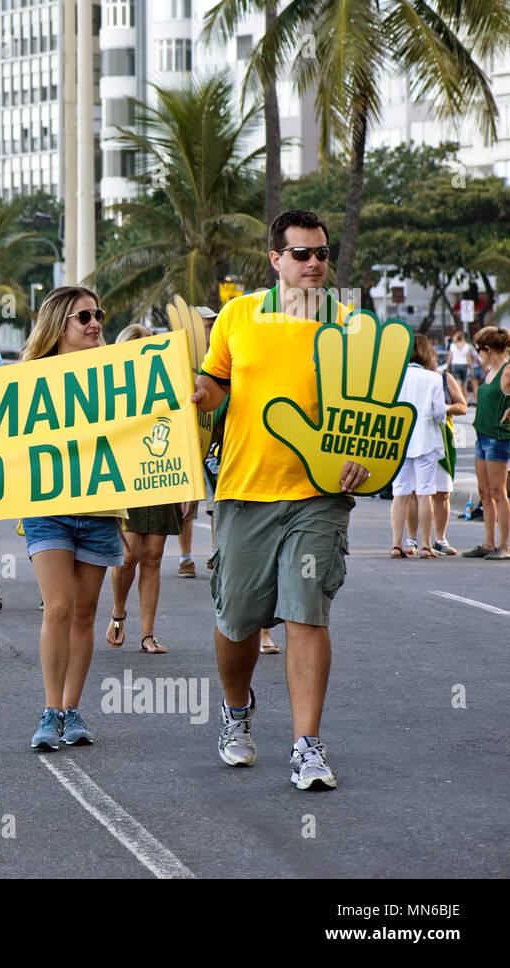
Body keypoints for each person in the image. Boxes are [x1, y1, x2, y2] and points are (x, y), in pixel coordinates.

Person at [192, 209, 365, 791]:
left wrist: (363, 454)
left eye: (321, 253)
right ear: (275, 259)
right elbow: (216, 385)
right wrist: (198, 393)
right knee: (236, 619)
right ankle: (236, 710)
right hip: (244, 492)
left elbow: (364, 415)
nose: (315, 263)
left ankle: (306, 745)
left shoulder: (346, 326)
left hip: (318, 496)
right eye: (302, 254)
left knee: (305, 611)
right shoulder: (239, 315)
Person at [19, 287, 125, 749]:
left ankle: (71, 709)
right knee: (58, 607)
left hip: (101, 508)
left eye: (97, 314)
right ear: (59, 323)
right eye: (83, 316)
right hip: (48, 509)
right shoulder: (27, 378)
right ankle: (49, 711)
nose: (94, 323)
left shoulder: (120, 374)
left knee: (84, 613)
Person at [106, 324, 192, 653]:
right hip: (125, 479)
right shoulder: (112, 388)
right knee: (128, 556)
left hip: (161, 476)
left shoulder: (168, 388)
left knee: (153, 556)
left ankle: (147, 634)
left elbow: (183, 434)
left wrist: (188, 484)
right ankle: (117, 615)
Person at [389, 334, 447, 558]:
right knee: (425, 493)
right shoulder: (433, 378)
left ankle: (396, 544)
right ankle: (425, 545)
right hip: (425, 439)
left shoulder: (394, 376)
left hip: (398, 441)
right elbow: (439, 412)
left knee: (400, 493)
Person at [462, 327, 510, 558]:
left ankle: (504, 545)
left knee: (498, 491)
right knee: (484, 491)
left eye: (480, 350)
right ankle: (488, 542)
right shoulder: (491, 370)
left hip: (498, 439)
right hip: (481, 437)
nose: (478, 354)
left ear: (488, 349)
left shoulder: (507, 370)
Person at [178, 306, 218, 577]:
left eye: (212, 325)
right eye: (206, 325)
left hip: (215, 446)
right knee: (186, 506)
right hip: (186, 445)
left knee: (218, 505)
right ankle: (185, 558)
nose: (210, 330)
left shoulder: (221, 359)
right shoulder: (179, 360)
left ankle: (218, 554)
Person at [428, 356, 468, 555]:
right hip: (416, 440)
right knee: (413, 494)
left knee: (442, 493)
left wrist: (445, 408)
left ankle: (439, 539)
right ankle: (412, 540)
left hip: (444, 441)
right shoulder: (406, 377)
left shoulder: (445, 378)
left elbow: (462, 406)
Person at [446, 329, 472, 394]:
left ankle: (460, 397)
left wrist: (447, 367)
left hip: (455, 365)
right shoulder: (466, 345)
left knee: (457, 384)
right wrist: (471, 368)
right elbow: (468, 358)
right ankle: (466, 398)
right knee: (464, 384)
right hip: (464, 365)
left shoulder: (452, 345)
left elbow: (449, 358)